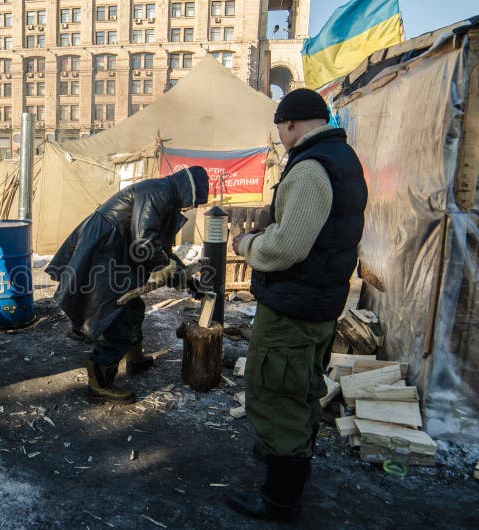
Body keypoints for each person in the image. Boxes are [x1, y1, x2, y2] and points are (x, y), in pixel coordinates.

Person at [227, 88, 367, 520]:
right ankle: (287, 460)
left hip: (293, 307)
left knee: (275, 395)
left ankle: (280, 498)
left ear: (290, 124)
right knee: (303, 389)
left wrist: (247, 244)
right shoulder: (342, 158)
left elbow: (287, 246)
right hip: (318, 302)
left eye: (280, 131)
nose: (281, 140)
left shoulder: (309, 169)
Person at [46, 167, 210, 403]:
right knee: (116, 316)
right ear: (189, 190)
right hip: (105, 251)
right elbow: (145, 242)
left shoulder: (164, 195)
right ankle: (100, 384)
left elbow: (160, 250)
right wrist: (168, 269)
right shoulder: (158, 193)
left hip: (115, 250)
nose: (190, 208)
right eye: (193, 202)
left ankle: (135, 360)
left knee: (134, 308)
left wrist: (186, 278)